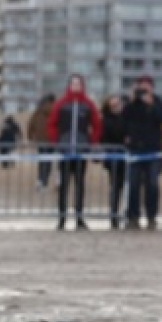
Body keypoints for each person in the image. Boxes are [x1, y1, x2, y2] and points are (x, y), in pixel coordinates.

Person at [47, 74, 102, 231]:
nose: (75, 86)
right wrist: (56, 142)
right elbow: (52, 124)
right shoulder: (61, 104)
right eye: (73, 83)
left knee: (80, 185)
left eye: (78, 83)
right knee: (63, 185)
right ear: (69, 85)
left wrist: (91, 142)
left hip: (81, 151)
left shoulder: (88, 104)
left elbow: (97, 124)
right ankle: (62, 218)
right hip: (64, 150)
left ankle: (79, 217)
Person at [122, 75, 162, 230]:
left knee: (152, 184)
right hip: (135, 149)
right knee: (133, 184)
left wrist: (151, 105)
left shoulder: (158, 102)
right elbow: (124, 118)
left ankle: (151, 216)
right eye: (141, 86)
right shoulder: (132, 104)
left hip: (152, 150)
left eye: (147, 86)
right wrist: (132, 100)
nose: (144, 89)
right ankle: (133, 216)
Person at [101, 95, 127, 228]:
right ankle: (114, 215)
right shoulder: (106, 120)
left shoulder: (126, 118)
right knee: (116, 187)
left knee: (126, 187)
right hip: (113, 157)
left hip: (126, 156)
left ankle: (127, 214)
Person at [28, 94, 56, 191]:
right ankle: (45, 182)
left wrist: (30, 137)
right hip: (51, 140)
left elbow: (31, 124)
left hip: (40, 140)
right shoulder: (55, 109)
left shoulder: (38, 110)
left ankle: (40, 180)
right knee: (48, 161)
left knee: (42, 160)